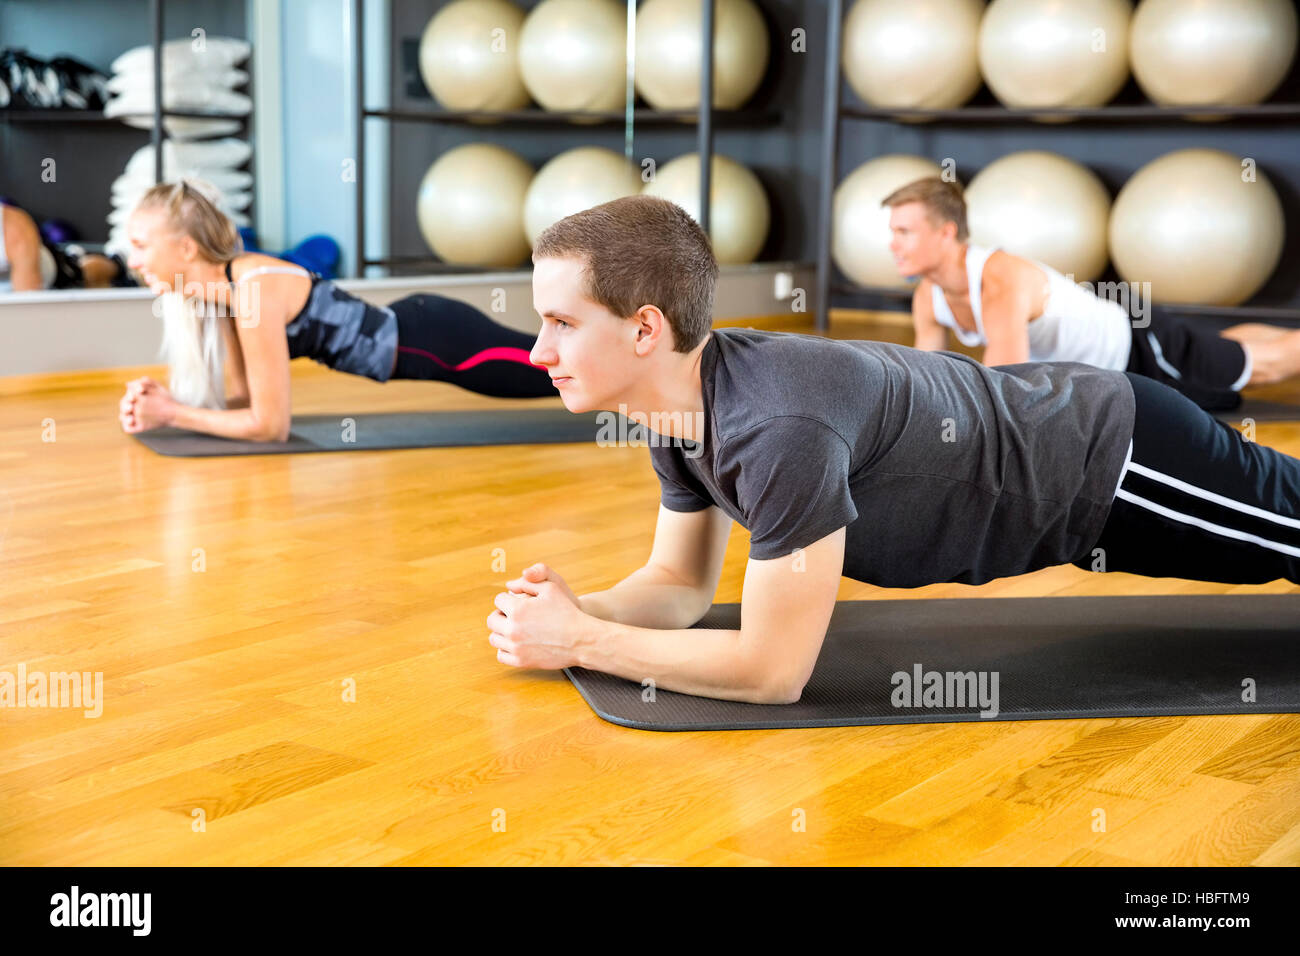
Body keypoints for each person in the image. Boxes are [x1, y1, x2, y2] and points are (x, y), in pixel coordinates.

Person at [485, 195, 1300, 706]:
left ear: (644, 329)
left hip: (1116, 459)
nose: (536, 352)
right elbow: (678, 585)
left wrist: (583, 643)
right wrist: (572, 611)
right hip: (1083, 474)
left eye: (561, 322)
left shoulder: (777, 427)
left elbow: (773, 674)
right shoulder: (677, 408)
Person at [117, 179, 555, 442]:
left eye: (140, 246)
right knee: (564, 373)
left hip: (439, 341)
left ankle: (626, 388)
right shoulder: (227, 292)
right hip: (423, 334)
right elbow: (248, 400)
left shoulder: (252, 292)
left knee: (560, 371)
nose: (132, 261)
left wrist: (172, 415)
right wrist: (169, 404)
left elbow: (269, 426)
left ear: (185, 247)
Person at [881, 177, 1300, 411]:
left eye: (904, 232)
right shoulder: (928, 297)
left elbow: (1004, 388)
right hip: (1110, 365)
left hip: (1136, 348)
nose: (892, 244)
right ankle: (1217, 347)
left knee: (1263, 369)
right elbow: (930, 380)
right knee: (1220, 357)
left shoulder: (997, 280)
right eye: (892, 232)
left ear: (946, 232)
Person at [0, 200, 134, 292]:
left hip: (51, 274)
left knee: (84, 273)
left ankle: (117, 264)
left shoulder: (12, 226)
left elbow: (26, 307)